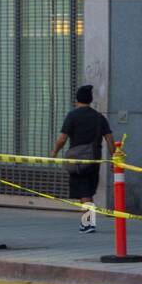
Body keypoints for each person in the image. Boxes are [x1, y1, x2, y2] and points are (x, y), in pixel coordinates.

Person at [51, 84, 115, 233]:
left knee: (84, 192)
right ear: (91, 100)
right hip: (94, 159)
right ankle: (88, 222)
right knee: (87, 191)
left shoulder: (72, 116)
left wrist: (54, 152)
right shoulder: (100, 118)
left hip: (77, 160)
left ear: (77, 99)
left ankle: (88, 224)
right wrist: (114, 158)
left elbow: (62, 139)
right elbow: (110, 140)